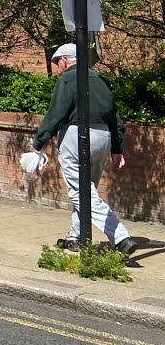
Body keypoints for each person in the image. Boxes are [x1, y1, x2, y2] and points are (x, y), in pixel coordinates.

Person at [31, 43, 146, 255]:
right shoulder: (100, 80)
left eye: (57, 64)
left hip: (76, 135)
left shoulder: (68, 79)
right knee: (87, 189)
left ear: (64, 61)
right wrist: (116, 147)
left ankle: (120, 237)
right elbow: (114, 116)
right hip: (103, 136)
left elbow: (56, 113)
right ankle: (75, 237)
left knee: (80, 192)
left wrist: (39, 142)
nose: (57, 69)